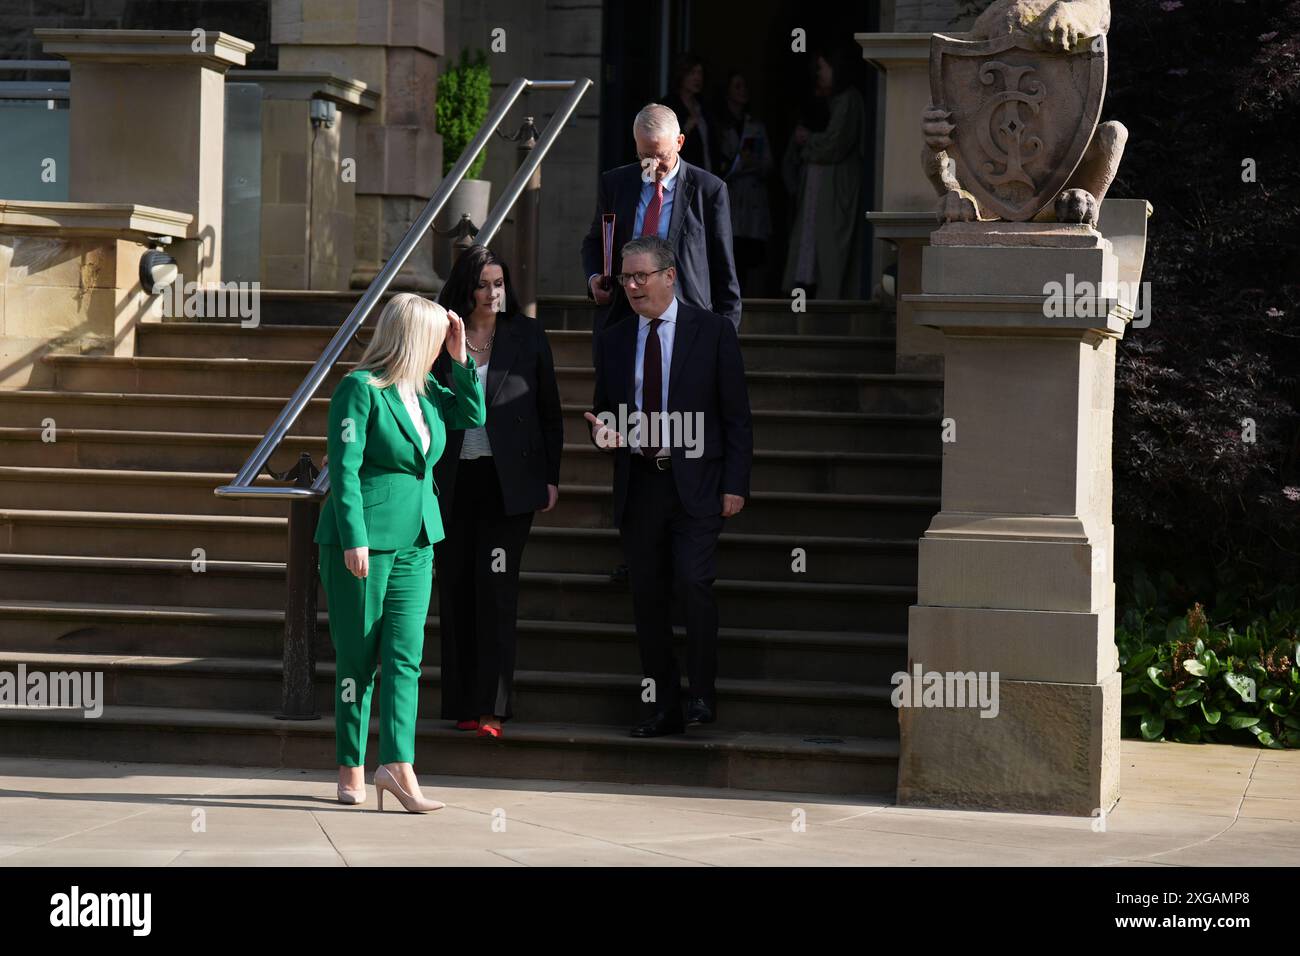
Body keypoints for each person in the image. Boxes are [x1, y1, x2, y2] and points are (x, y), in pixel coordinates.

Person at [315, 292, 486, 812]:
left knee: (405, 658)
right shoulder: (359, 389)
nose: (441, 344)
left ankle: (397, 764)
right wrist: (354, 536)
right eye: (436, 337)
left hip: (418, 538)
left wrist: (461, 358)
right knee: (358, 657)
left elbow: (473, 413)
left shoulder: (431, 390)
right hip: (363, 538)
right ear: (413, 338)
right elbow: (342, 469)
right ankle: (350, 763)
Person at [584, 236, 753, 738]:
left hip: (697, 486)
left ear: (669, 276)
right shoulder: (615, 338)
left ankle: (701, 692)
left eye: (641, 277)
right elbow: (603, 412)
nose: (631, 286)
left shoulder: (713, 331)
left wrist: (735, 482)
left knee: (693, 583)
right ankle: (662, 705)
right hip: (640, 485)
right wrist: (602, 434)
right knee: (647, 598)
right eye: (625, 278)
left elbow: (736, 416)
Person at [431, 245, 563, 740]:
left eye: (499, 284)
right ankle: (464, 703)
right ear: (466, 287)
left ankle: (493, 708)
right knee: (458, 590)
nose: (492, 293)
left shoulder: (526, 335)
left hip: (508, 486)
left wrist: (552, 475)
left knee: (497, 590)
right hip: (453, 485)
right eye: (483, 284)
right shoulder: (440, 336)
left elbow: (548, 410)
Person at [581, 102, 742, 343]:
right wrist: (595, 278)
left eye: (661, 155)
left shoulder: (709, 190)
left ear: (679, 143)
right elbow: (595, 241)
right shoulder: (614, 184)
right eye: (645, 155)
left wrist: (725, 336)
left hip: (687, 321)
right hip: (623, 320)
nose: (653, 165)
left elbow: (723, 269)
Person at [782, 46, 867, 299]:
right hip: (819, 186)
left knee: (830, 247)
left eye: (822, 68)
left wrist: (808, 142)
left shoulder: (849, 100)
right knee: (810, 245)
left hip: (836, 186)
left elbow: (834, 145)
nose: (819, 74)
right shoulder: (831, 100)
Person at [715, 71, 774, 296]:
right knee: (730, 250)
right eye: (737, 86)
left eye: (745, 86)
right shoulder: (719, 126)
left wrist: (753, 165)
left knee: (752, 255)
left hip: (752, 198)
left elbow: (769, 163)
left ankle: (750, 298)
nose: (743, 91)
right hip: (730, 193)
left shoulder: (756, 126)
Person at [660, 53, 714, 173]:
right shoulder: (669, 106)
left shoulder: (703, 107)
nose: (697, 78)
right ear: (682, 75)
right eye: (692, 73)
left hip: (705, 174)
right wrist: (685, 129)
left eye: (700, 73)